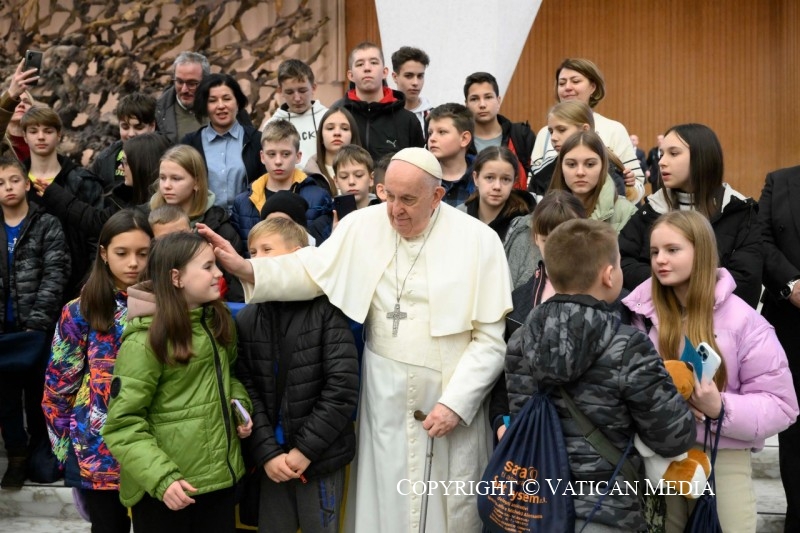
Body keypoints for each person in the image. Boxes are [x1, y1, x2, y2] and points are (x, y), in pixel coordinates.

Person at [198, 147, 512, 532]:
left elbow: (491, 340)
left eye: (408, 200)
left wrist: (456, 403)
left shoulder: (479, 241)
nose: (395, 209)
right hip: (384, 396)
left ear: (437, 196)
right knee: (383, 507)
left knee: (447, 509)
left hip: (448, 393)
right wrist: (247, 268)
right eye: (388, 195)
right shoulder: (362, 225)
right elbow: (312, 273)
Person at [506, 218, 696, 532]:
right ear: (609, 275)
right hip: (607, 508)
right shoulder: (627, 345)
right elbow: (671, 436)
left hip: (537, 505)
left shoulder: (520, 340)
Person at [621, 211, 798, 533]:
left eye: (673, 250)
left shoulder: (745, 322)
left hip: (724, 459)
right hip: (659, 456)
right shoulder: (638, 314)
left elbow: (782, 405)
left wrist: (720, 407)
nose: (660, 260)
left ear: (701, 252)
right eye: (655, 252)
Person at [102, 231, 253, 533]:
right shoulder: (144, 341)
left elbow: (230, 377)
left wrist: (239, 406)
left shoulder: (217, 321)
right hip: (170, 493)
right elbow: (122, 425)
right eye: (208, 266)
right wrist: (162, 479)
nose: (219, 274)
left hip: (219, 482)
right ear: (176, 277)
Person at [236, 217, 359, 533]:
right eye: (252, 251)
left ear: (299, 256)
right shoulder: (249, 317)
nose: (257, 259)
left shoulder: (326, 310)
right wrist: (267, 453)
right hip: (272, 461)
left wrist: (304, 451)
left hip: (318, 457)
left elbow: (341, 388)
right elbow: (247, 389)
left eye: (268, 250)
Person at [42, 209, 151, 531]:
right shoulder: (80, 310)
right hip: (96, 448)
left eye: (142, 253)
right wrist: (65, 448)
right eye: (122, 253)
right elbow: (58, 385)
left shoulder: (169, 306)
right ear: (103, 253)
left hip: (154, 445)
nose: (133, 262)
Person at [618, 123, 762, 308]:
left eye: (674, 153)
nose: (661, 162)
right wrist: (671, 286)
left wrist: (686, 287)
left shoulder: (738, 210)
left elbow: (747, 281)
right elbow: (623, 262)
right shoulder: (652, 209)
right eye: (662, 154)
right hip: (657, 322)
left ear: (702, 158)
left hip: (718, 326)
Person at [0, 156, 69, 489]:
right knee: (6, 398)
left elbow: (56, 273)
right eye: (0, 183)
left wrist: (38, 324)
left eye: (14, 180)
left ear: (27, 184)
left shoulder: (47, 224)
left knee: (38, 395)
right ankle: (16, 457)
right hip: (3, 333)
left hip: (38, 331)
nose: (8, 188)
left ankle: (42, 453)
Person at [530, 58, 645, 201]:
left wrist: (627, 188)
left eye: (576, 81)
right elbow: (533, 182)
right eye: (562, 83)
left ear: (593, 87)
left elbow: (638, 185)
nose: (567, 87)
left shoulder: (614, 129)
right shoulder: (544, 133)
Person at [22, 106, 104, 299]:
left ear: (59, 135)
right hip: (26, 288)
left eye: (48, 131)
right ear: (24, 137)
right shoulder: (12, 182)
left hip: (77, 284)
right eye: (33, 131)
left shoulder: (83, 181)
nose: (41, 137)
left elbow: (97, 239)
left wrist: (89, 283)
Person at [757, 164, 800, 531]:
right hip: (792, 323)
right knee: (796, 431)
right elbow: (762, 240)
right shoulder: (780, 181)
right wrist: (792, 285)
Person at [34, 132, 172, 240]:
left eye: (125, 162)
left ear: (141, 166)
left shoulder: (155, 214)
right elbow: (96, 219)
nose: (121, 167)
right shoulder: (126, 197)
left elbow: (98, 223)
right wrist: (54, 193)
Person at [230, 119, 332, 245]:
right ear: (262, 157)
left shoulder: (319, 197)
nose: (278, 161)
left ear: (298, 156)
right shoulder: (243, 202)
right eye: (271, 154)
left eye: (285, 154)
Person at [180, 73, 265, 212]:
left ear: (237, 102)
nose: (221, 106)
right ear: (205, 105)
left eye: (227, 99)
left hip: (248, 222)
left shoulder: (257, 140)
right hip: (204, 223)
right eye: (212, 100)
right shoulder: (190, 143)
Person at [338, 42, 425, 162]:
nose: (367, 68)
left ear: (385, 72)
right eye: (360, 64)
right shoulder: (338, 116)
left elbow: (418, 168)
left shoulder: (408, 120)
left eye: (374, 62)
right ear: (350, 75)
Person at [547, 131, 636, 233]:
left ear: (603, 166)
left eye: (590, 164)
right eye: (571, 164)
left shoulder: (627, 213)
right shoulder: (544, 212)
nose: (580, 172)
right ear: (561, 167)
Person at [155, 52, 252, 143]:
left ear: (206, 81)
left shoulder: (230, 109)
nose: (184, 89)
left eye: (192, 83)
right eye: (179, 82)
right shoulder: (159, 112)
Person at [463, 71, 535, 190]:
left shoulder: (521, 135)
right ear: (466, 105)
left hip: (518, 206)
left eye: (488, 97)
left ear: (499, 100)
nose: (482, 104)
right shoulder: (460, 141)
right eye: (474, 99)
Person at [457, 146, 534, 240]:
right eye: (489, 178)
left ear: (514, 181)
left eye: (506, 179)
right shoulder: (459, 216)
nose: (497, 186)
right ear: (476, 178)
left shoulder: (525, 225)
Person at [265, 59, 328, 167]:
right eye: (289, 92)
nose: (297, 98)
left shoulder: (328, 118)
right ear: (280, 91)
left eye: (303, 91)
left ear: (313, 88)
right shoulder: (272, 125)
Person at [89, 93, 158, 191]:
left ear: (152, 126)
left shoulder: (166, 158)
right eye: (125, 127)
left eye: (138, 127)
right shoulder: (105, 158)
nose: (131, 134)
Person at [303, 104, 362, 195]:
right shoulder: (308, 177)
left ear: (352, 135)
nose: (337, 133)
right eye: (330, 128)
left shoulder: (367, 171)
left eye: (344, 128)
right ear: (321, 137)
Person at [427, 103, 475, 206]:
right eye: (430, 133)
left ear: (464, 139)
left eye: (442, 132)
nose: (432, 138)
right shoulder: (422, 176)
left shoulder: (482, 178)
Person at [1, 59, 38, 161]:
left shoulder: (43, 142)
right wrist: (12, 95)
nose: (21, 104)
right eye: (16, 101)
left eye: (26, 102)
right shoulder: (2, 145)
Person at [391, 46, 433, 133]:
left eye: (420, 76)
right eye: (409, 76)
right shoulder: (384, 114)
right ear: (395, 77)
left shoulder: (434, 117)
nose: (415, 83)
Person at [332, 144, 378, 210]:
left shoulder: (387, 212)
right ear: (336, 182)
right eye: (344, 177)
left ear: (371, 178)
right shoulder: (326, 217)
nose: (351, 182)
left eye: (359, 175)